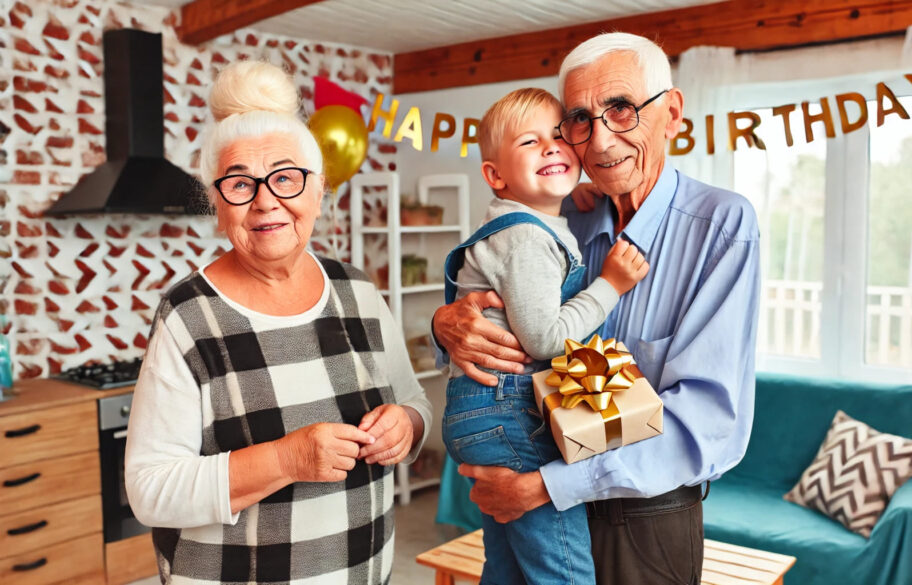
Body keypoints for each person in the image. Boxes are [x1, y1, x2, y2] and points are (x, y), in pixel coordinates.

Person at [433, 32, 761, 585]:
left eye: (622, 109)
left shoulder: (723, 226)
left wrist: (544, 487)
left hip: (644, 519)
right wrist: (449, 322)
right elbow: (495, 280)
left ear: (671, 113)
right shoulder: (564, 220)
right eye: (582, 119)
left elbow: (704, 421)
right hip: (534, 481)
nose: (601, 140)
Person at [124, 60, 432, 585]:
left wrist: (408, 426)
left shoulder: (358, 291)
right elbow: (149, 489)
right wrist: (286, 460)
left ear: (317, 191)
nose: (267, 201)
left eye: (286, 178)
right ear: (217, 204)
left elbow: (414, 402)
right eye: (240, 184)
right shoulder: (188, 314)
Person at [441, 87, 649, 585]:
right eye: (530, 143)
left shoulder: (531, 224)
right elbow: (545, 339)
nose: (552, 148)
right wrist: (611, 285)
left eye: (558, 137)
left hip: (482, 408)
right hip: (509, 410)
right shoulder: (528, 238)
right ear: (495, 176)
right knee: (565, 572)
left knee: (510, 571)